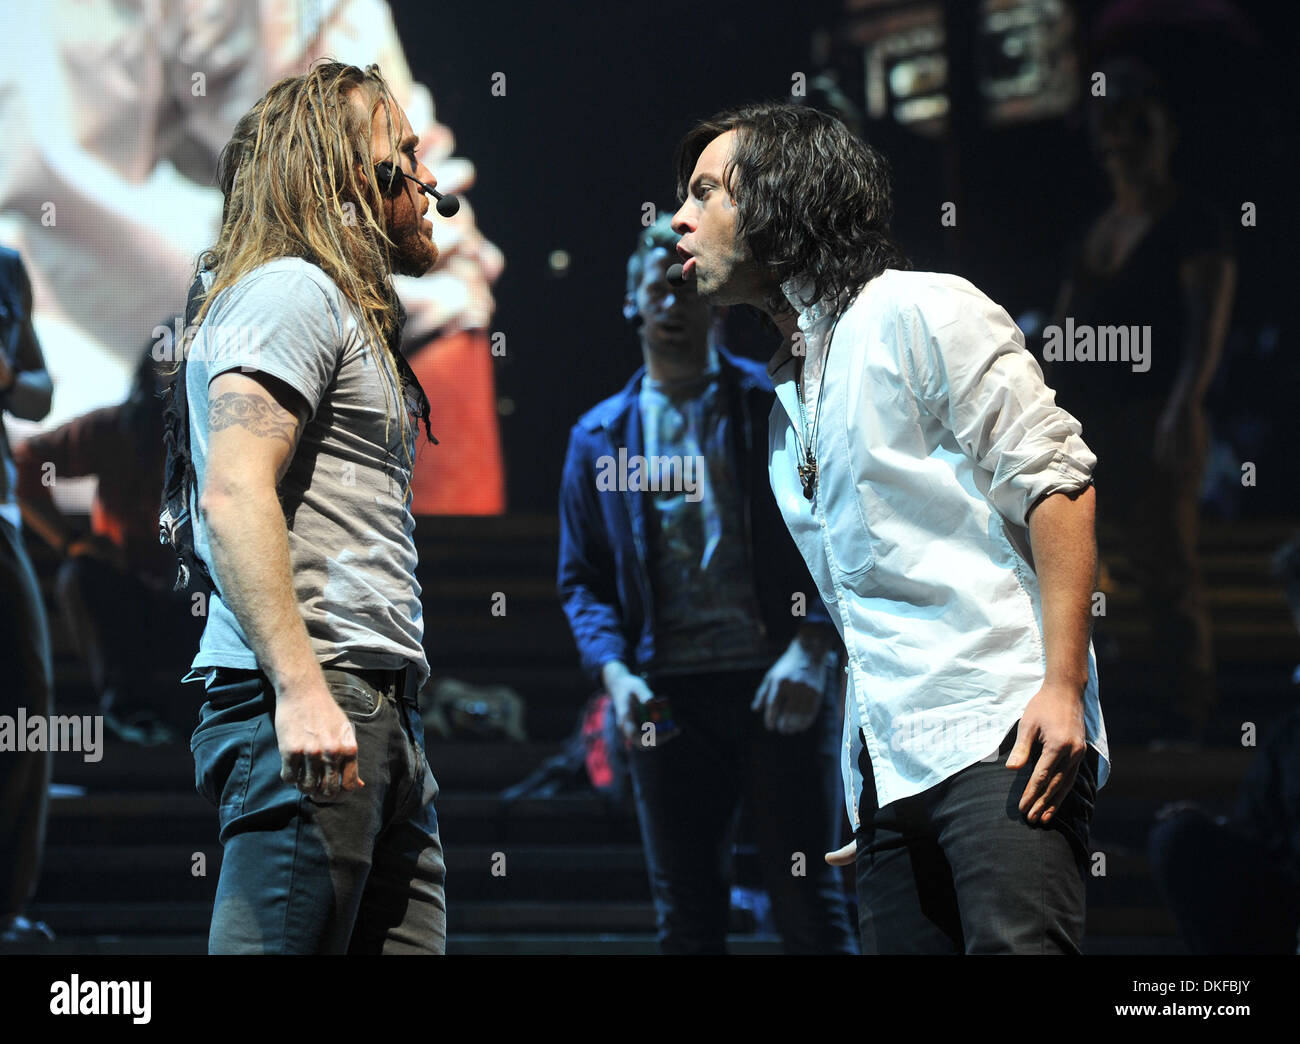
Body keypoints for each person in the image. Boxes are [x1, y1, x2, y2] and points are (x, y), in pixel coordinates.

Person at [671, 102, 1110, 954]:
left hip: (1002, 736)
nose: (679, 220)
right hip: (889, 779)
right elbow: (856, 603)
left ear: (780, 199)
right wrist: (868, 780)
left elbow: (1058, 483)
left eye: (704, 193)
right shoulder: (783, 403)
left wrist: (1062, 689)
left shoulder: (921, 310)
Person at [173, 61, 444, 955]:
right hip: (312, 698)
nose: (430, 178)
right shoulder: (293, 291)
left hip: (374, 710)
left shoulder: (332, 304)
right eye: (405, 151)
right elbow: (235, 490)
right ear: (345, 174)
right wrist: (300, 691)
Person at [557, 214, 857, 955]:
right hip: (666, 698)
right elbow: (583, 578)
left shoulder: (773, 407)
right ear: (631, 301)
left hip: (776, 683)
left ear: (714, 300)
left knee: (811, 908)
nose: (670, 301)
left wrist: (814, 646)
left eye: (686, 285)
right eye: (653, 287)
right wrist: (616, 675)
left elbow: (842, 531)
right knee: (687, 921)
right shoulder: (601, 436)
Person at [1049, 59, 1235, 745]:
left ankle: (1189, 712)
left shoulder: (1193, 220)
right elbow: (1065, 330)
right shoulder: (1096, 229)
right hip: (1091, 421)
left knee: (1166, 564)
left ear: (1163, 136)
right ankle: (1105, 708)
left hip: (1155, 411)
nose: (1123, 144)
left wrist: (1185, 405)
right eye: (1114, 132)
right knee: (1086, 568)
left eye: (1138, 129)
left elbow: (1207, 322)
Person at [16, 343, 203, 745]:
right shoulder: (115, 429)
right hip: (127, 603)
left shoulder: (224, 437)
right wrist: (69, 541)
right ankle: (127, 705)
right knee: (80, 576)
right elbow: (28, 462)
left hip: (195, 607)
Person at [0, 244, 55, 943]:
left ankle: (7, 907)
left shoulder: (8, 266)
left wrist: (11, 374)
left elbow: (40, 390)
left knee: (28, 699)